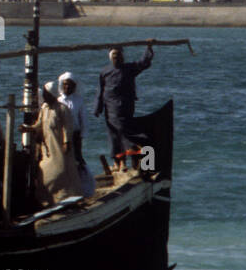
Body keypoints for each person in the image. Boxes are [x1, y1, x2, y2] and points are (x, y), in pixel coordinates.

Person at [94, 41, 154, 169]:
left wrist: (148, 48)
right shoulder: (105, 72)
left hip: (125, 106)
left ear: (122, 57)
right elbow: (100, 90)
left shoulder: (129, 68)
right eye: (114, 56)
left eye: (118, 56)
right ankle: (119, 162)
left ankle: (136, 156)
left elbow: (143, 63)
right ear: (111, 58)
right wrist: (97, 107)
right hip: (109, 107)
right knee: (114, 135)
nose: (116, 58)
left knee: (123, 131)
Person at [24, 83, 83, 205]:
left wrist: (66, 141)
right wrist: (30, 128)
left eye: (46, 94)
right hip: (48, 148)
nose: (44, 96)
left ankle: (66, 198)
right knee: (44, 172)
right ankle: (47, 200)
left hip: (59, 146)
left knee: (62, 172)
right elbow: (39, 124)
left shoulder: (62, 108)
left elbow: (68, 126)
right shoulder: (45, 108)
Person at [57, 72, 95, 196]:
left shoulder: (78, 100)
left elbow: (83, 119)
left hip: (75, 135)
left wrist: (82, 136)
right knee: (63, 162)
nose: (67, 87)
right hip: (61, 136)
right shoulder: (58, 100)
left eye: (70, 85)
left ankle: (84, 187)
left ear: (74, 86)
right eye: (65, 85)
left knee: (78, 160)